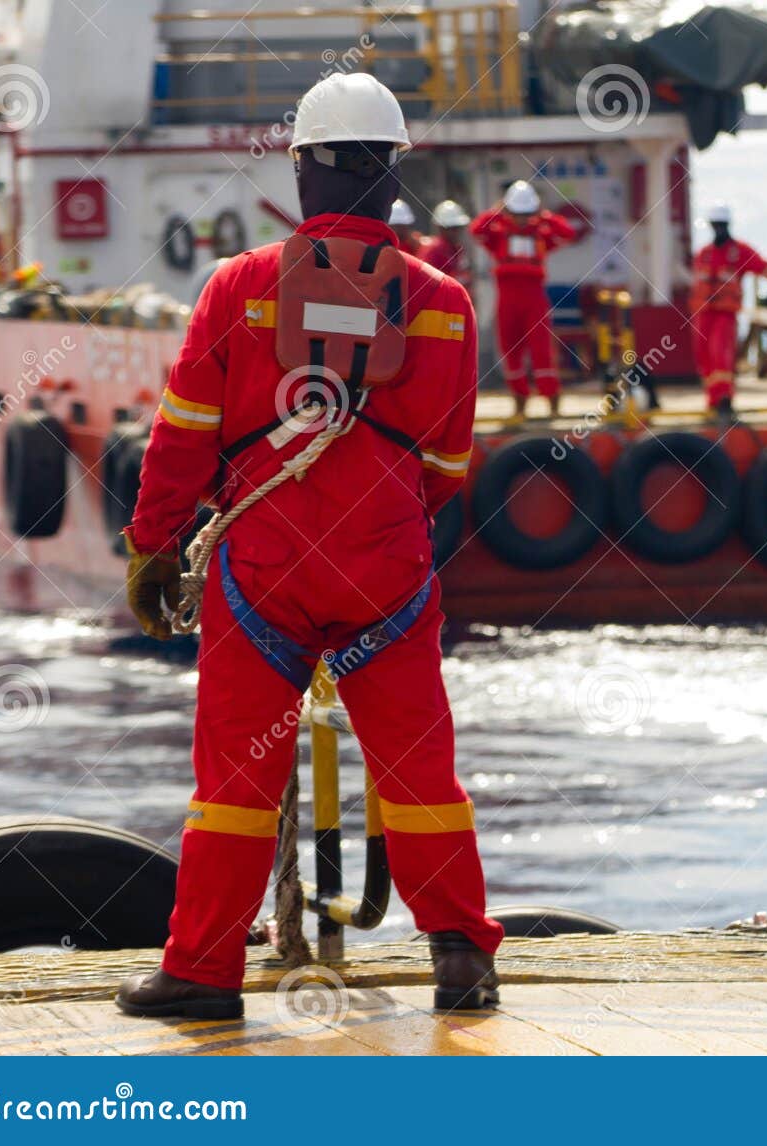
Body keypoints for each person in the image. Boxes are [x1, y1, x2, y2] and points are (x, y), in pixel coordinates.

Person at [116, 72, 503, 1020]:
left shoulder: (238, 287)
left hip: (263, 579)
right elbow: (450, 467)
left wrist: (154, 547)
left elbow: (182, 436)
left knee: (237, 782)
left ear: (304, 171)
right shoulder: (446, 302)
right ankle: (460, 958)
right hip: (390, 581)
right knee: (419, 772)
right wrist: (386, 527)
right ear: (391, 173)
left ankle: (203, 973)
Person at [470, 180, 584, 418]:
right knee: (510, 349)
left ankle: (552, 398)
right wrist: (498, 210)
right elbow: (476, 230)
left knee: (541, 349)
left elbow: (569, 233)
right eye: (517, 213)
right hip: (507, 299)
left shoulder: (541, 233)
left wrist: (544, 216)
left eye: (526, 213)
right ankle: (519, 398)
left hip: (534, 299)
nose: (522, 219)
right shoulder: (498, 233)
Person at [688, 205, 767, 418]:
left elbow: (764, 267)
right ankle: (712, 399)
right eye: (716, 225)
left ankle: (725, 399)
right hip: (702, 314)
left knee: (721, 354)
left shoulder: (740, 251)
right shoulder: (704, 253)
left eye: (722, 225)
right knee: (704, 356)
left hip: (725, 314)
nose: (719, 229)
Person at [418, 199, 472, 287]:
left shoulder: (455, 248)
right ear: (440, 228)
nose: (456, 232)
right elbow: (424, 282)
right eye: (451, 228)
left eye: (457, 228)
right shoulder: (433, 249)